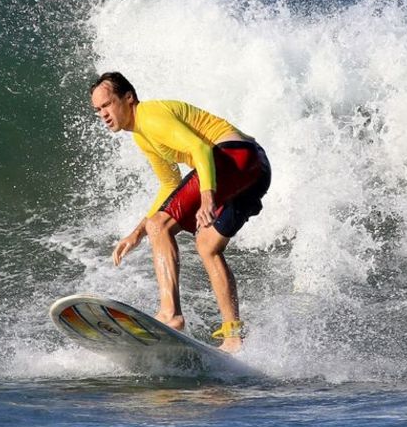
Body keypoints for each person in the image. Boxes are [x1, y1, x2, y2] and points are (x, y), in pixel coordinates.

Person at [89, 71, 271, 352]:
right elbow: (169, 185)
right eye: (98, 109)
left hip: (234, 155)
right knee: (207, 246)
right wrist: (137, 232)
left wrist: (207, 197)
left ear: (129, 98)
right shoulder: (142, 137)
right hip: (256, 168)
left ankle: (170, 313)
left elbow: (200, 148)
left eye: (107, 104)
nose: (103, 114)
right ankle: (233, 336)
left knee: (160, 226)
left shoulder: (149, 116)